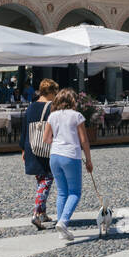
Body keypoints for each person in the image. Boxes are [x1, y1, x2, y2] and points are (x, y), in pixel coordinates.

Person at [42, 88, 93, 242]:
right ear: (72, 101)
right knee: (75, 192)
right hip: (71, 156)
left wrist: (58, 142)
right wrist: (88, 160)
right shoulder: (77, 116)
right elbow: (84, 140)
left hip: (55, 155)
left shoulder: (52, 116)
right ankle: (63, 221)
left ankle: (61, 228)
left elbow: (46, 139)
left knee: (62, 192)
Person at [22, 78, 58, 230]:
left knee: (40, 179)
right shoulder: (52, 107)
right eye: (55, 92)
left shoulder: (31, 107)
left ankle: (42, 213)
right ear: (50, 92)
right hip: (46, 147)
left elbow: (24, 129)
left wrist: (23, 149)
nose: (56, 95)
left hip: (32, 146)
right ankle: (36, 214)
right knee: (47, 179)